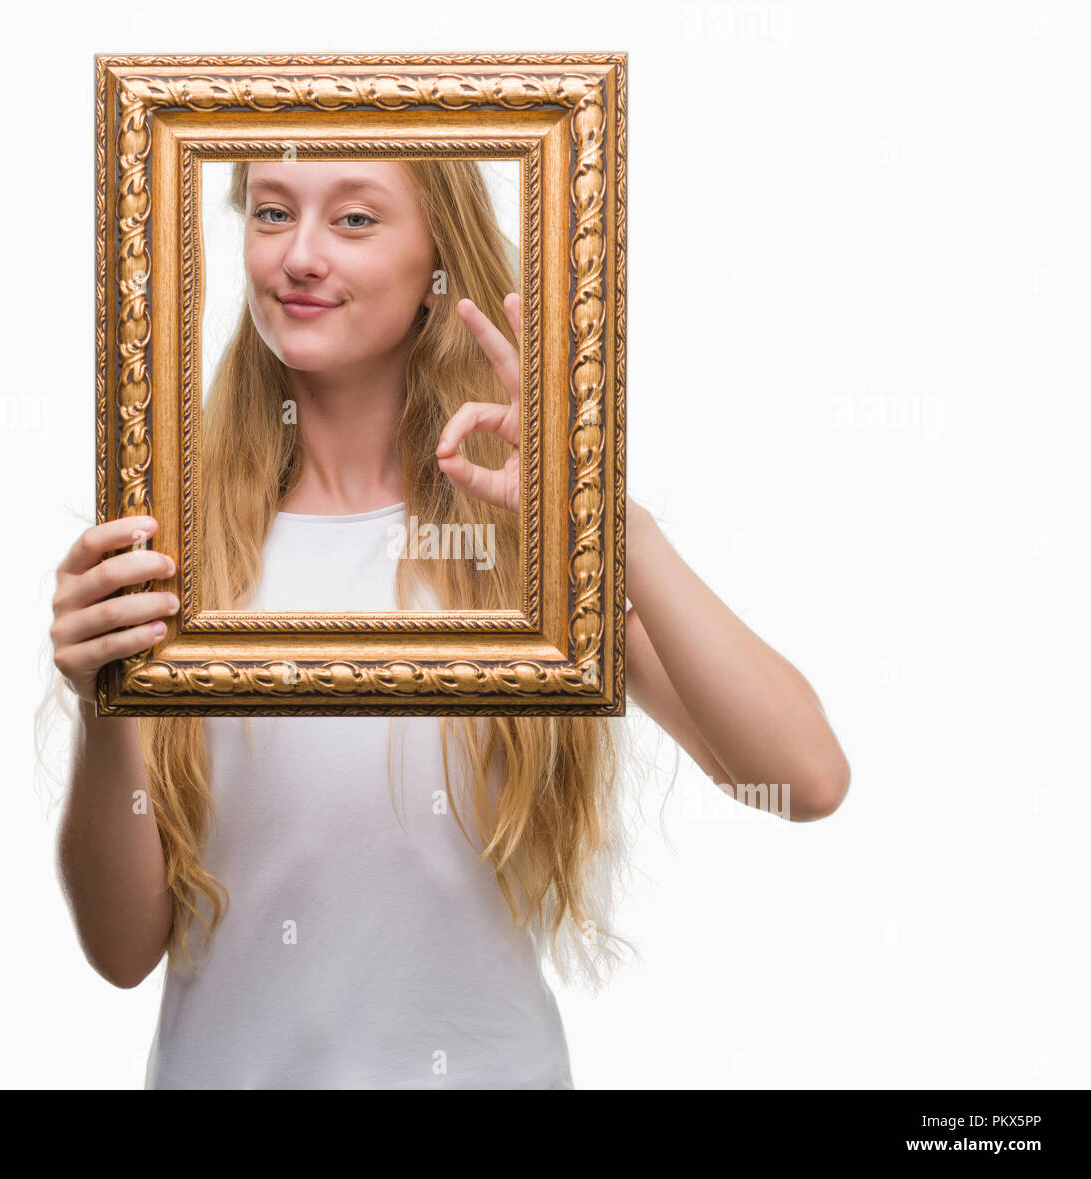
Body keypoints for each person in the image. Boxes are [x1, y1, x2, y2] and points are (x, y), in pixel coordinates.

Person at [45, 158, 851, 1089]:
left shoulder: (517, 544)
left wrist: (603, 512)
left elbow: (801, 780)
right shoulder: (171, 550)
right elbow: (122, 949)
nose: (299, 254)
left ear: (438, 261)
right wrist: (99, 698)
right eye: (272, 212)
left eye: (353, 219)